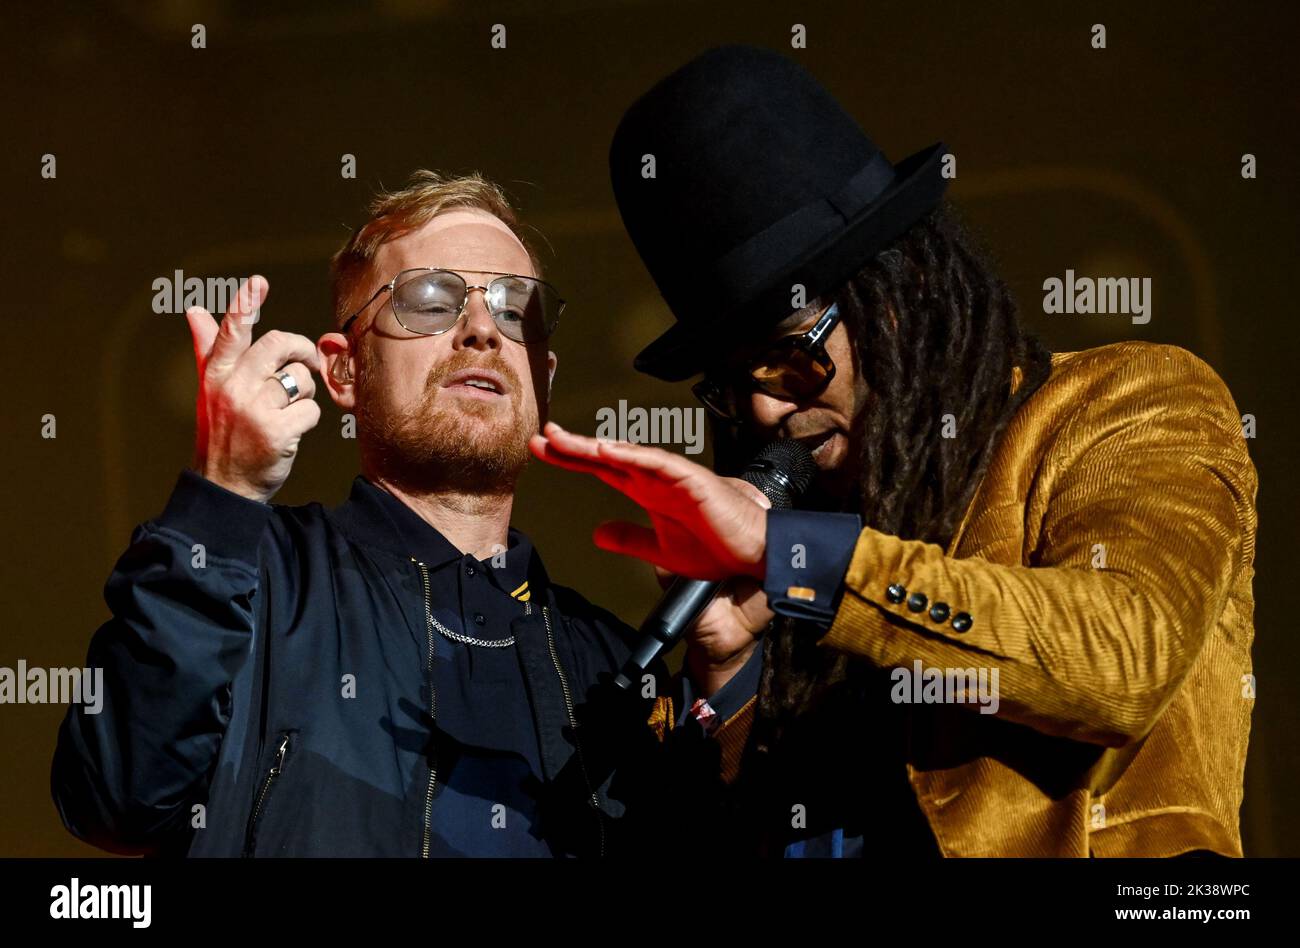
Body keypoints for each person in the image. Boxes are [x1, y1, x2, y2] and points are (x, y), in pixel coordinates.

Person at [530, 46, 1259, 857]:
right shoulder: (802, 537)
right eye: (733, 384)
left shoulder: (1128, 401)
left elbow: (1126, 659)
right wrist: (728, 675)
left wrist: (800, 558)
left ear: (900, 298)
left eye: (791, 353)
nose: (766, 408)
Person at [52, 170, 664, 857]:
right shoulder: (246, 578)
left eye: (514, 308)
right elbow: (113, 799)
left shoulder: (618, 662)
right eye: (430, 301)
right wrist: (222, 492)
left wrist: (730, 670)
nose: (482, 330)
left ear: (543, 378)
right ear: (343, 371)